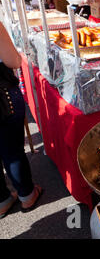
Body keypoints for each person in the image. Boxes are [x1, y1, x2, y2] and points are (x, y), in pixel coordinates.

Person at [0, 22, 43, 218]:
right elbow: (14, 61)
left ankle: (3, 200)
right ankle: (27, 195)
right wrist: (18, 57)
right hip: (2, 96)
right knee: (12, 149)